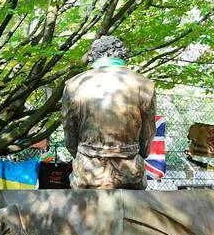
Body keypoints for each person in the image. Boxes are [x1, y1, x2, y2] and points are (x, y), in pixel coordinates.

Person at [60, 35, 159, 189]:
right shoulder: (145, 84)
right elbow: (148, 134)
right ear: (122, 54)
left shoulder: (74, 84)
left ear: (93, 56)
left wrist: (80, 155)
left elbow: (69, 131)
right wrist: (137, 153)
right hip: (130, 172)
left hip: (87, 172)